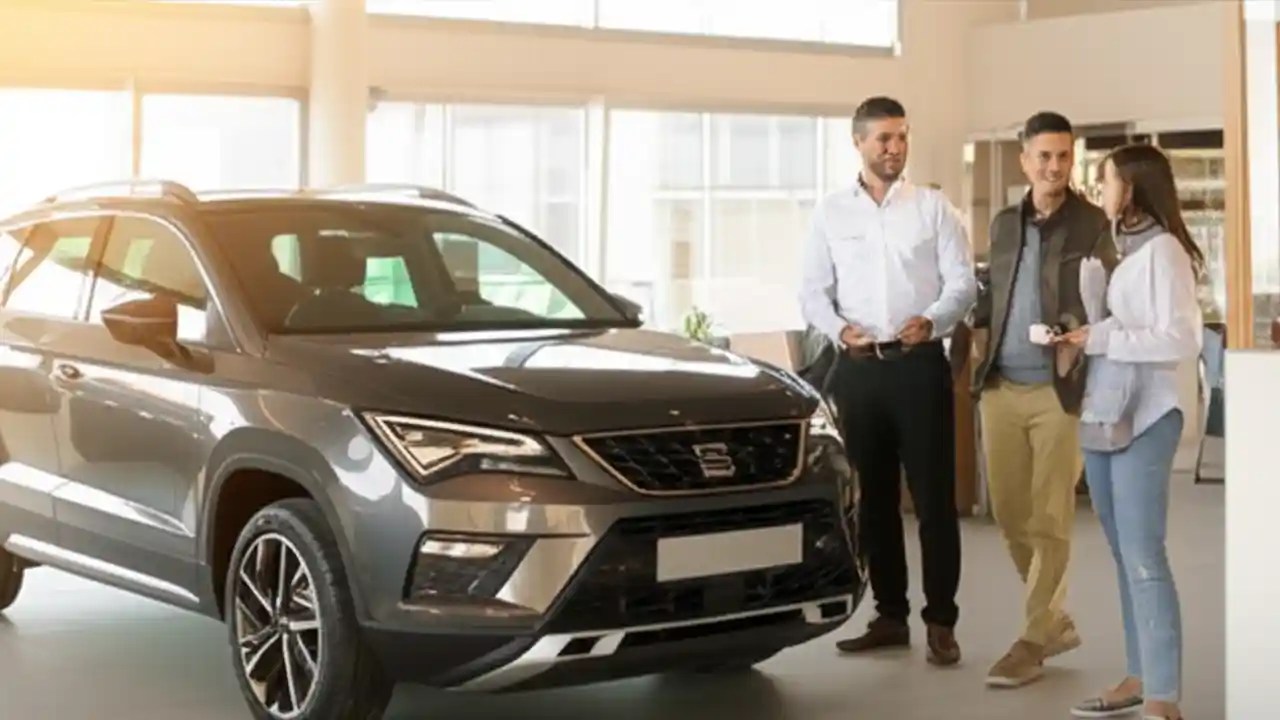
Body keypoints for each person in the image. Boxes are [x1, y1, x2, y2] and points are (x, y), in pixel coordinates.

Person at [799, 96, 977, 666]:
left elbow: (963, 284)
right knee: (874, 501)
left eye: (901, 137)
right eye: (883, 139)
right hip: (859, 372)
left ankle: (942, 622)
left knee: (934, 502)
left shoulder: (932, 209)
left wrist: (936, 319)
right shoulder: (831, 213)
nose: (895, 148)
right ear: (859, 142)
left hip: (919, 367)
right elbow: (811, 290)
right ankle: (891, 615)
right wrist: (837, 328)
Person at [970, 111, 1117, 688]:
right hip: (1001, 386)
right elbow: (993, 295)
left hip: (1061, 388)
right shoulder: (1006, 224)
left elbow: (1109, 299)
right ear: (1024, 160)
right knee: (1010, 515)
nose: (1055, 167)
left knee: (1050, 517)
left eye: (1064, 156)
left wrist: (1074, 330)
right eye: (1045, 156)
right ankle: (1053, 619)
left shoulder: (1093, 224)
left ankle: (1031, 641)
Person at [1057, 143, 1203, 720]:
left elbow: (1179, 340)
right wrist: (1093, 324)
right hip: (1107, 409)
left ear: (1133, 189)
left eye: (1105, 179)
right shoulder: (1124, 248)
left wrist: (1100, 337)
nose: (1098, 188)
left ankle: (1163, 698)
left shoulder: (1164, 252)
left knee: (1144, 556)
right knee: (1123, 554)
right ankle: (1140, 678)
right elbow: (1129, 326)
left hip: (1148, 414)